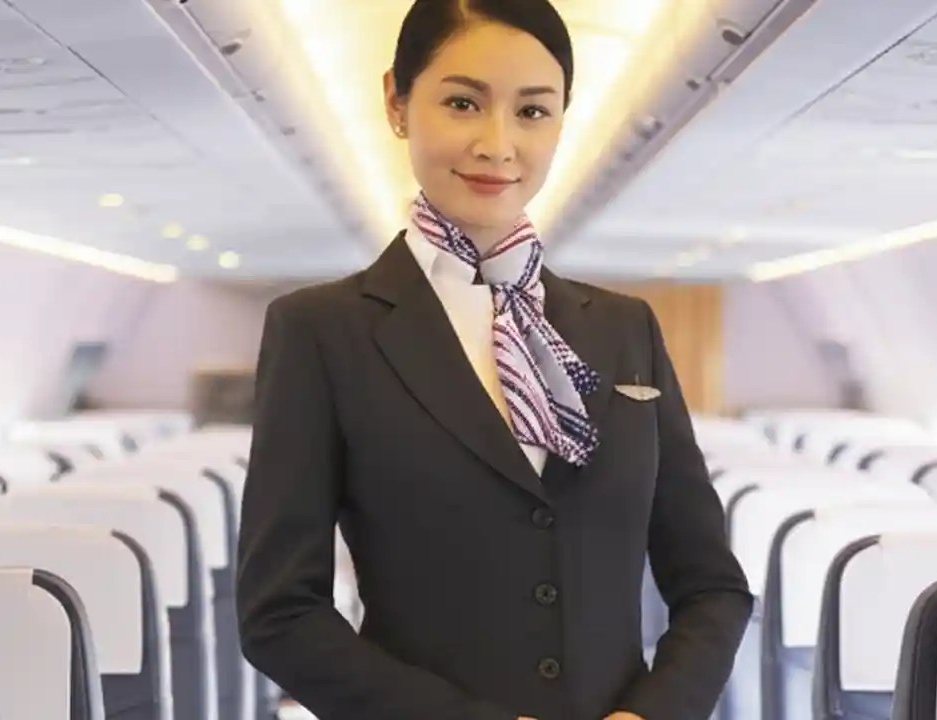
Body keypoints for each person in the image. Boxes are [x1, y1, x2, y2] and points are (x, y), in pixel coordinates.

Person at [235, 1, 753, 718]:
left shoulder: (625, 329)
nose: (497, 143)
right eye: (461, 102)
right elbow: (279, 614)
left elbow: (711, 586)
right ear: (397, 101)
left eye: (533, 112)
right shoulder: (321, 332)